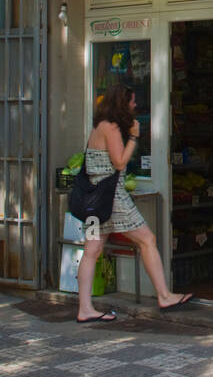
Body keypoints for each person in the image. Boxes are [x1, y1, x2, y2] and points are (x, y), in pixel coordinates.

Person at [77, 83, 194, 322]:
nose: (134, 105)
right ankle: (164, 295)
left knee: (91, 251)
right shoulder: (110, 127)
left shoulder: (99, 125)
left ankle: (85, 308)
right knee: (147, 239)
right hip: (112, 198)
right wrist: (133, 137)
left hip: (95, 200)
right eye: (131, 101)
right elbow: (119, 163)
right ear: (122, 102)